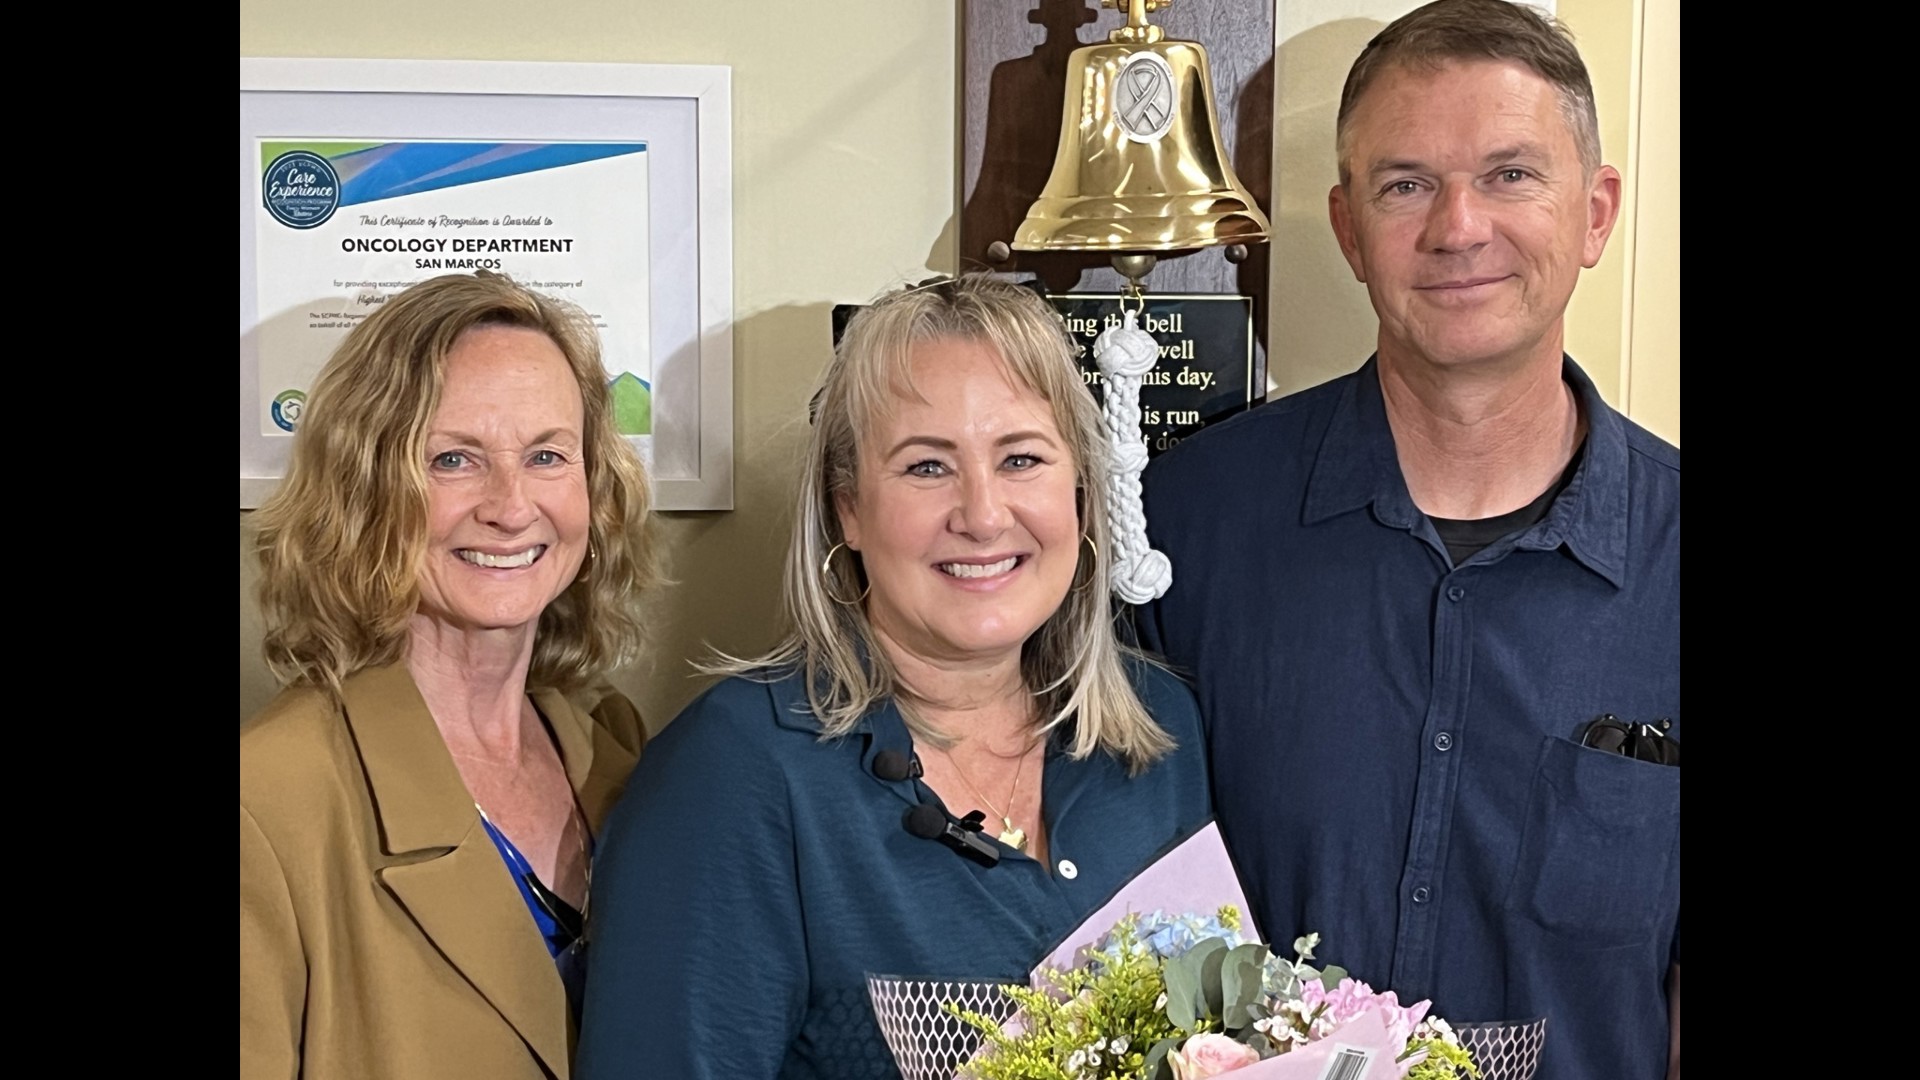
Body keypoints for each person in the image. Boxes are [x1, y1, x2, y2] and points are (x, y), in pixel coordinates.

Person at [1134, 3, 1679, 1079]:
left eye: (1512, 174)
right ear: (1347, 229)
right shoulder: (1182, 528)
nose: (1458, 226)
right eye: (1407, 184)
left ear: (1597, 212)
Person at [575, 275, 1212, 1079]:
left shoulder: (1163, 734)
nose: (983, 515)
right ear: (848, 508)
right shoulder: (734, 772)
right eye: (925, 468)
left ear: (1079, 495)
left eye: (1021, 458)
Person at [240, 272, 660, 1080]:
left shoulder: (619, 750)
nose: (510, 507)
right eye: (454, 459)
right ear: (366, 489)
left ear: (593, 488)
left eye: (546, 455)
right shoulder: (267, 802)